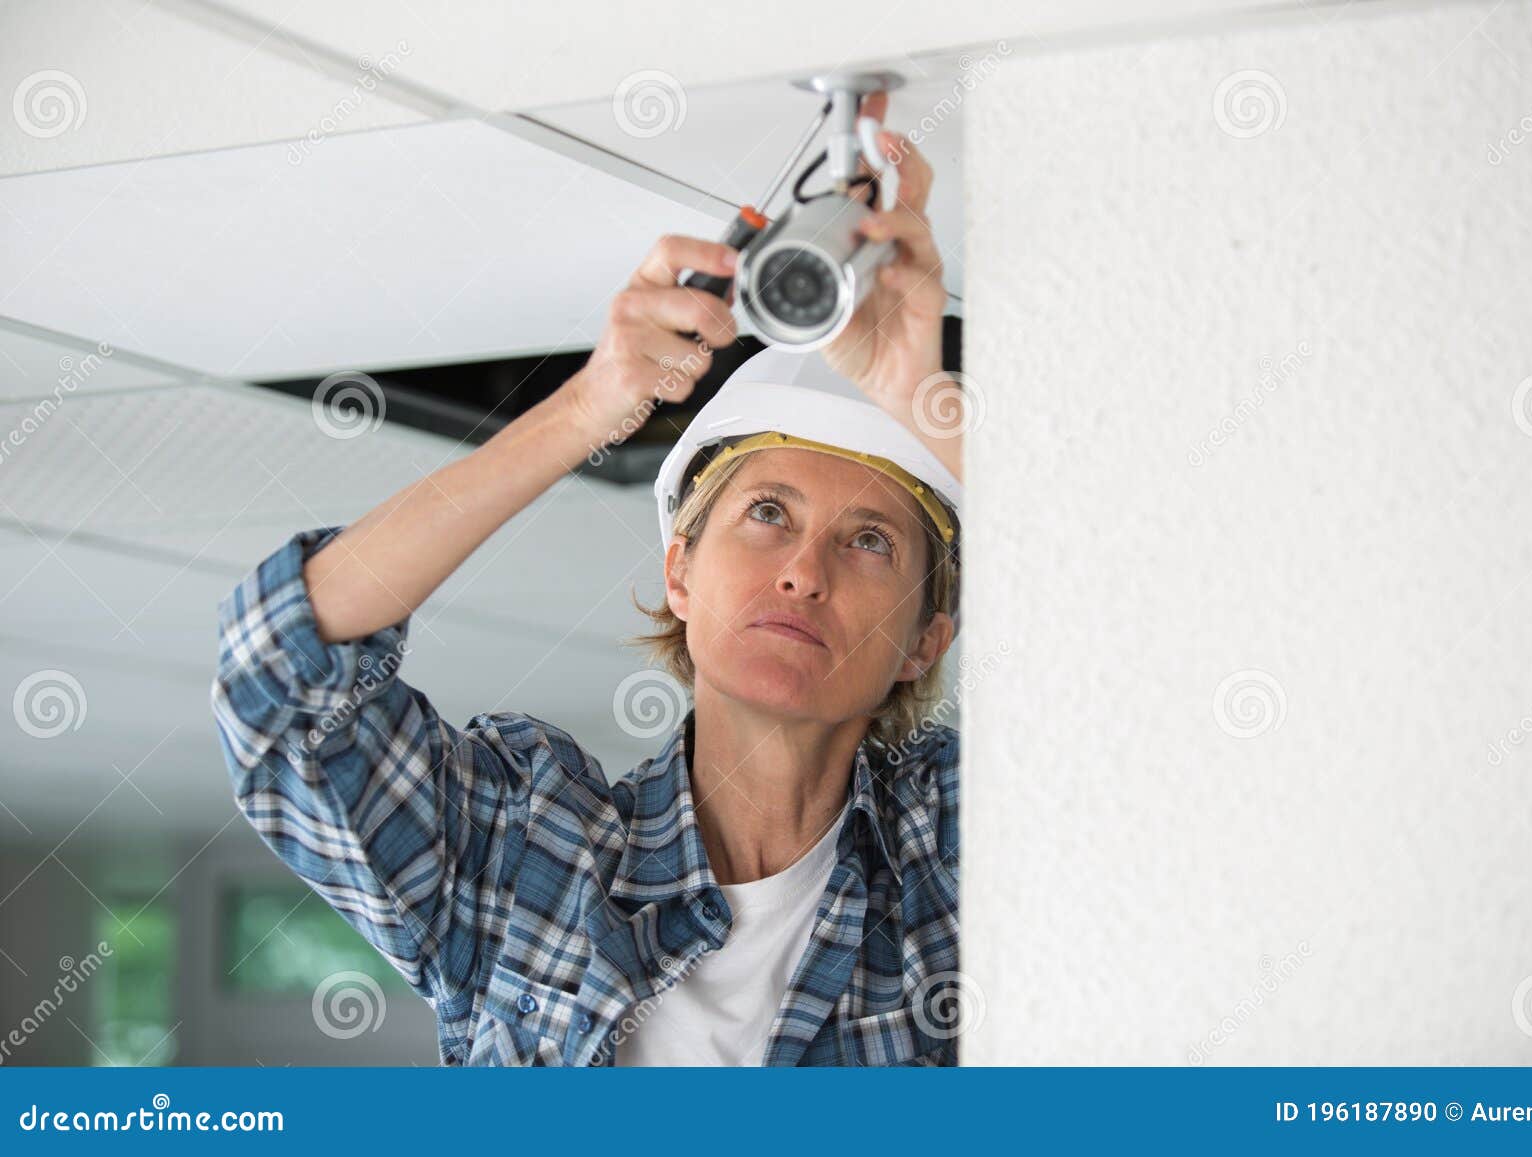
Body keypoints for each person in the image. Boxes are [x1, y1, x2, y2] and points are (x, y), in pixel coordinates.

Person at [210, 111, 968, 1066]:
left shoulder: (953, 847)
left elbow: (1164, 684)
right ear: (680, 570)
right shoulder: (531, 852)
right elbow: (279, 680)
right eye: (766, 511)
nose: (801, 572)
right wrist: (593, 404)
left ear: (925, 640)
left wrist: (925, 402)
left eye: (868, 541)